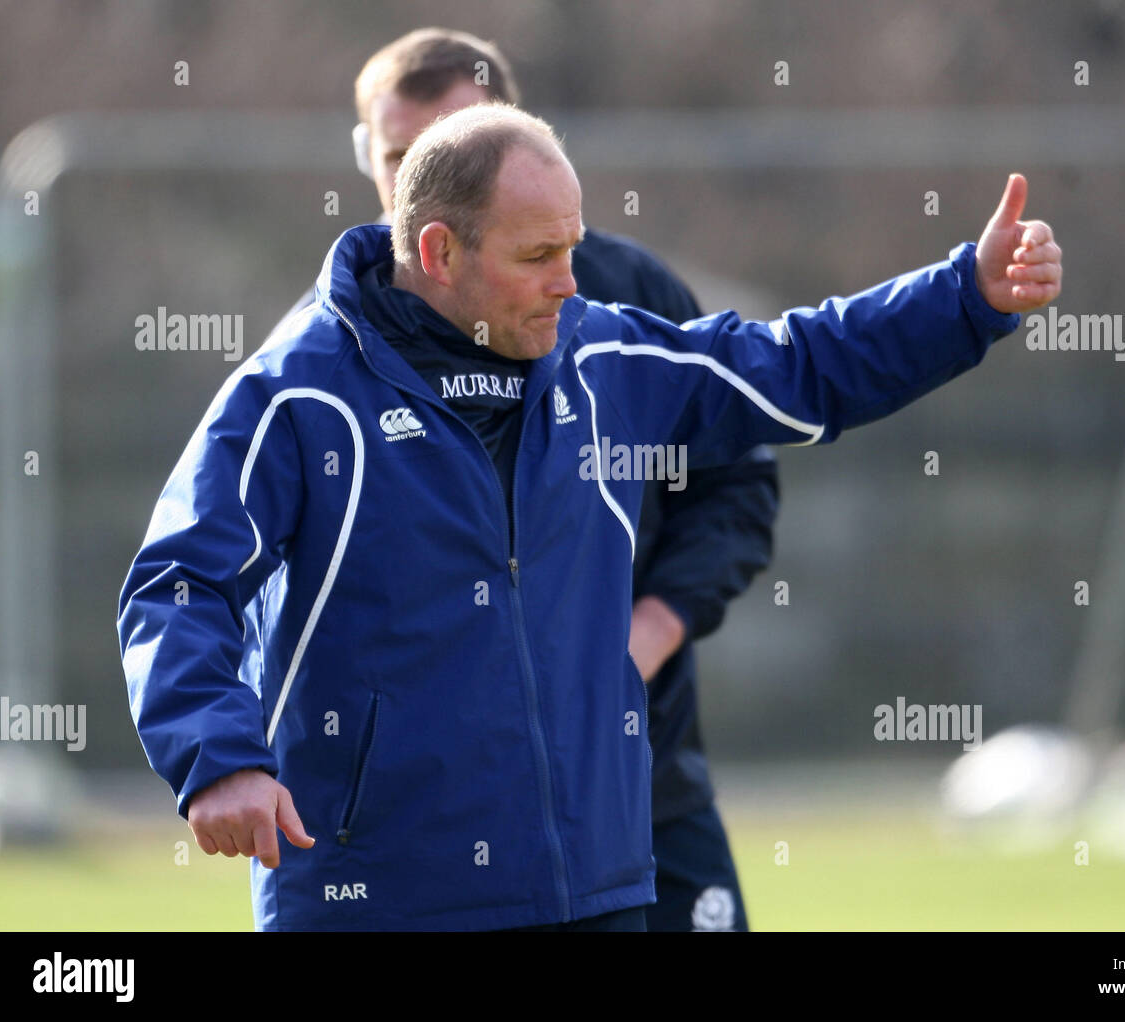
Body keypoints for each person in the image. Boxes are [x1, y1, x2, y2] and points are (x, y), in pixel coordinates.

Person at [117, 102, 1062, 932]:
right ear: (440, 252)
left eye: (572, 246)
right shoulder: (297, 397)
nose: (571, 280)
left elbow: (795, 364)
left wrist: (964, 298)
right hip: (377, 896)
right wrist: (217, 758)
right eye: (538, 256)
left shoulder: (602, 358)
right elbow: (177, 583)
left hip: (593, 889)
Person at [280, 27, 779, 931]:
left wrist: (642, 637)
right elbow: (216, 570)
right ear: (367, 156)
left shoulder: (616, 296)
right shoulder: (332, 352)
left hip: (646, 775)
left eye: (464, 141)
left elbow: (739, 486)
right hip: (461, 831)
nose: (433, 175)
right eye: (404, 154)